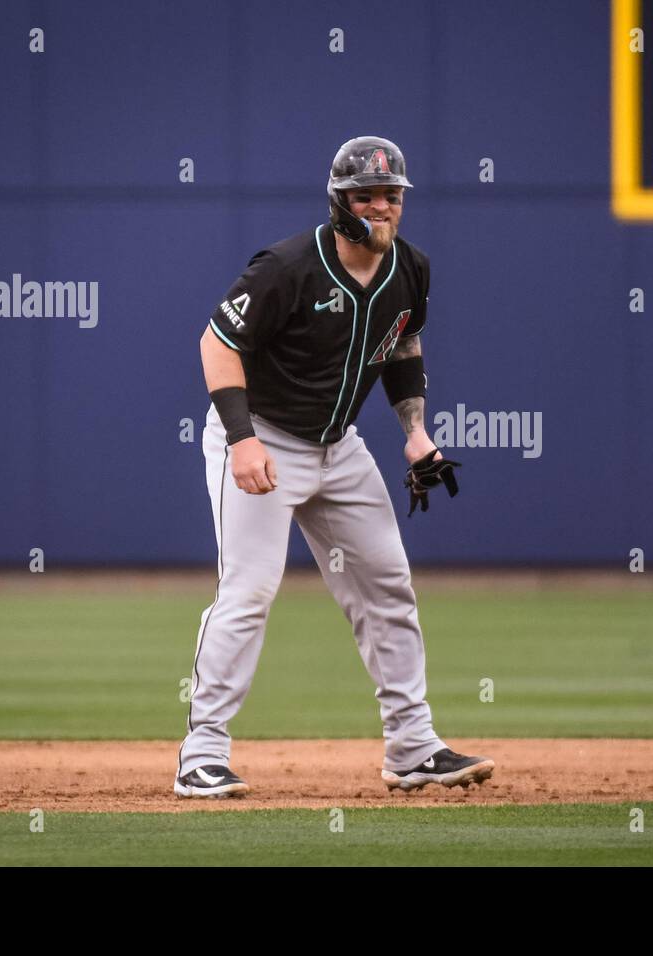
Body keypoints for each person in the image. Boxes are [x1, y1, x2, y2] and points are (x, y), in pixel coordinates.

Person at [174, 136, 495, 797]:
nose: (382, 207)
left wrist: (414, 431)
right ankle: (201, 754)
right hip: (263, 436)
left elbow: (402, 338)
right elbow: (216, 342)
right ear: (339, 203)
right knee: (250, 590)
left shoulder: (411, 269)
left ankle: (412, 747)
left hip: (339, 448)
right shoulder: (288, 267)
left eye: (392, 195)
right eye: (366, 196)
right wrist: (241, 439)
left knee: (388, 585)